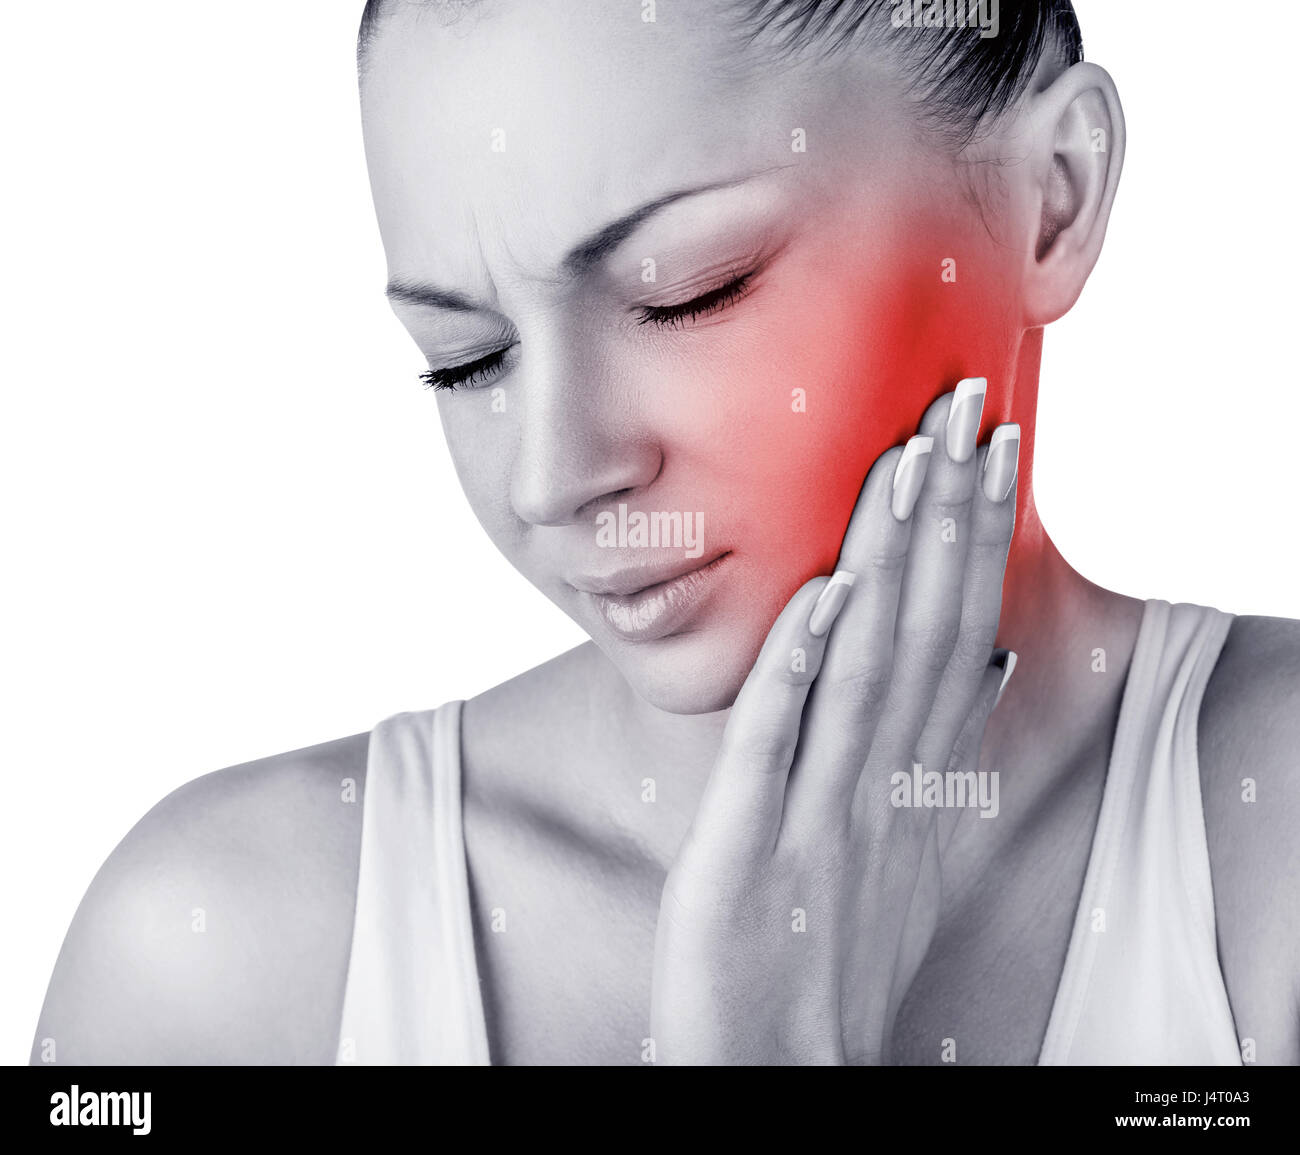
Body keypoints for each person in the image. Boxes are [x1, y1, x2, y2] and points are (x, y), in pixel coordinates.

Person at [31, 0, 1300, 1065]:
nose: (552, 474)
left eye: (688, 291)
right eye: (465, 363)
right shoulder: (218, 963)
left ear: (1053, 202)